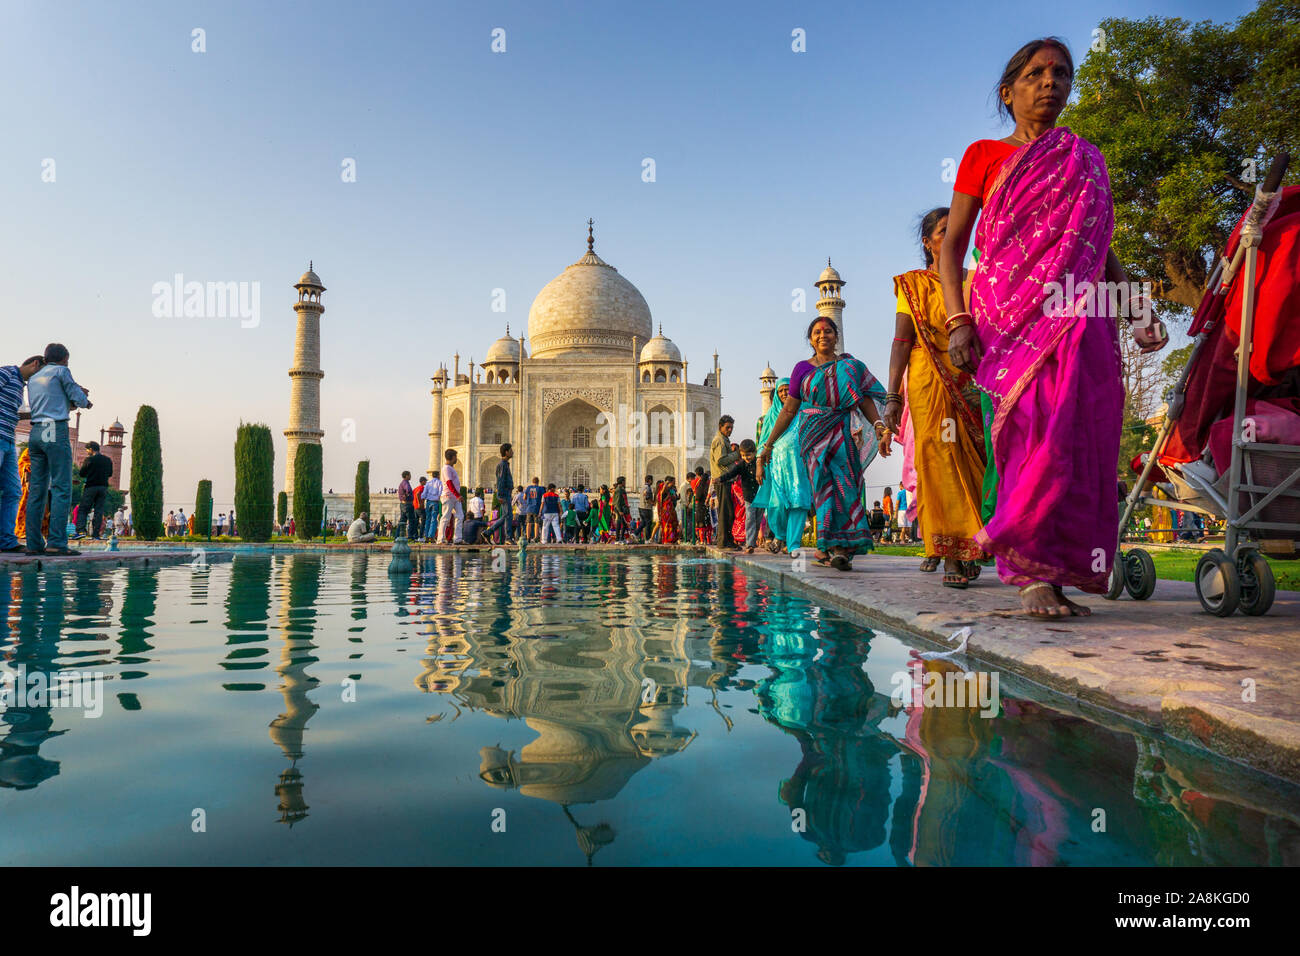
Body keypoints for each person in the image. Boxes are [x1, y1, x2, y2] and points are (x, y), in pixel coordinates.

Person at [939, 38, 1167, 616]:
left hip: (1082, 313)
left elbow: (1100, 248)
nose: (1050, 83)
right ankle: (1028, 573)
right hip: (1008, 316)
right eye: (1036, 74)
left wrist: (1137, 309)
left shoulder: (1085, 157)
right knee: (1029, 433)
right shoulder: (983, 154)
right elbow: (953, 248)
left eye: (1061, 74)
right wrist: (957, 319)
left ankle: (1061, 570)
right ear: (1008, 91)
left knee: (1076, 436)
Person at [883, 206, 990, 587]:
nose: (954, 235)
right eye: (945, 231)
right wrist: (892, 396)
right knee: (939, 459)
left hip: (972, 378)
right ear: (928, 243)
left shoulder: (978, 280)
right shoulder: (913, 284)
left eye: (959, 229)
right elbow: (901, 340)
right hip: (928, 378)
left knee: (976, 455)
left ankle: (973, 542)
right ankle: (950, 554)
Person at [758, 317, 891, 571]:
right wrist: (768, 445)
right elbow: (788, 410)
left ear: (836, 336)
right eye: (817, 332)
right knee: (822, 490)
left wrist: (879, 425)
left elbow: (864, 400)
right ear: (810, 339)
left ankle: (840, 547)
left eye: (828, 331)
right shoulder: (801, 369)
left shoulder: (851, 367)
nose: (823, 336)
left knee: (846, 486)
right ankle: (832, 546)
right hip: (813, 435)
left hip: (842, 432)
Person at [23, 343, 90, 555]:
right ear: (63, 359)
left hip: (36, 431)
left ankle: (33, 544)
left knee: (37, 489)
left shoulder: (34, 378)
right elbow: (77, 397)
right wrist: (86, 402)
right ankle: (56, 543)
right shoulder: (62, 371)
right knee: (61, 487)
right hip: (53, 427)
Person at [753, 380, 811, 556]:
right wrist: (759, 466)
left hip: (799, 466)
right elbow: (762, 442)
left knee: (798, 504)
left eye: (788, 390)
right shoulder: (771, 416)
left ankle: (793, 545)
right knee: (776, 505)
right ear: (776, 395)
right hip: (776, 467)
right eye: (781, 391)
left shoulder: (803, 412)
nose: (785, 393)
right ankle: (779, 534)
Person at [0, 355, 44, 553]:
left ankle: (6, 541)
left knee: (13, 491)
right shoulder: (7, 373)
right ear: (35, 364)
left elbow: (13, 412)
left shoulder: (20, 386)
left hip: (9, 441)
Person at [718, 440, 762, 552]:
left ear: (755, 453)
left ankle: (754, 540)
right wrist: (720, 478)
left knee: (758, 520)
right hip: (748, 497)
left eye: (748, 455)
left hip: (760, 496)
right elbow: (731, 473)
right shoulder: (741, 465)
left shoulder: (759, 463)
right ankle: (750, 544)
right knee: (750, 519)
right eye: (743, 455)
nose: (746, 457)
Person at [709, 417, 741, 549]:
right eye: (727, 427)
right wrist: (736, 455)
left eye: (731, 427)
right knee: (725, 512)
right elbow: (720, 460)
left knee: (728, 512)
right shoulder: (720, 441)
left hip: (725, 480)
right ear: (720, 426)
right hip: (722, 480)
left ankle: (727, 540)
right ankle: (723, 542)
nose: (730, 430)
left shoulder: (724, 440)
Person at [72, 440, 113, 539]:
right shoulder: (108, 460)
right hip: (103, 487)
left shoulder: (89, 460)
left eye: (87, 450)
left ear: (91, 449)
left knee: (83, 509)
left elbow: (82, 473)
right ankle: (96, 535)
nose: (87, 452)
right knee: (99, 511)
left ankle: (81, 531)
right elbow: (110, 474)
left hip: (91, 487)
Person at [437, 450, 464, 544]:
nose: (456, 459)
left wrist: (457, 495)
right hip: (448, 496)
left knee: (460, 516)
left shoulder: (450, 468)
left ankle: (457, 539)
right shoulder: (446, 468)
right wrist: (457, 495)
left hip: (455, 497)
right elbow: (449, 483)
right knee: (445, 518)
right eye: (456, 457)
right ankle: (440, 539)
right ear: (452, 457)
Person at [494, 443, 515, 543]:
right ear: (506, 452)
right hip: (504, 494)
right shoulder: (502, 465)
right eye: (511, 450)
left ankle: (488, 533)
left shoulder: (505, 465)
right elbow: (500, 481)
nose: (512, 452)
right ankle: (508, 538)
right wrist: (500, 495)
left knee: (505, 516)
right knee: (508, 516)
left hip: (507, 493)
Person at [422, 472, 442, 541]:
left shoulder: (428, 483)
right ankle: (431, 536)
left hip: (428, 502)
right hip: (435, 502)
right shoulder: (439, 483)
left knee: (428, 519)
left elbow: (424, 494)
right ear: (438, 475)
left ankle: (427, 536)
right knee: (434, 520)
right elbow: (440, 493)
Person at [397, 471, 417, 539]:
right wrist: (407, 496)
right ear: (406, 476)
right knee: (412, 521)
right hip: (408, 504)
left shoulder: (402, 483)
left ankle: (398, 536)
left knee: (402, 521)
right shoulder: (406, 483)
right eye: (409, 475)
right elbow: (408, 490)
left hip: (402, 504)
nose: (410, 476)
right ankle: (410, 536)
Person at [612, 476, 630, 541]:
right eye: (624, 481)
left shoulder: (621, 489)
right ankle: (617, 539)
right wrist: (620, 511)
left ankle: (621, 538)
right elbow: (617, 502)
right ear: (622, 482)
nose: (625, 483)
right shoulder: (618, 490)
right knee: (619, 524)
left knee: (624, 524)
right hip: (618, 509)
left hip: (620, 508)